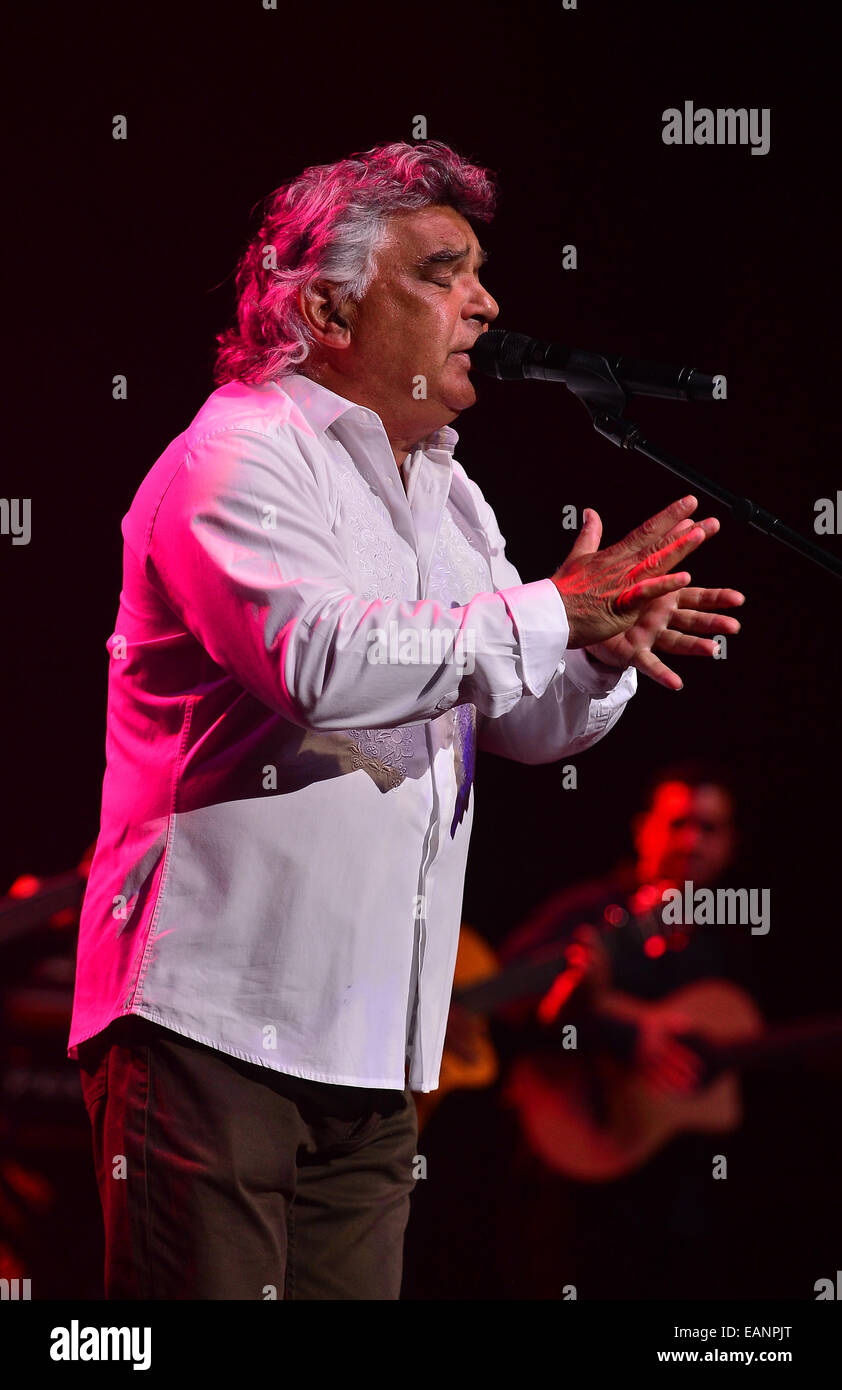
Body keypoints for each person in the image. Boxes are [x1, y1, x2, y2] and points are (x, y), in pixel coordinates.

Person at [67, 140, 743, 1300]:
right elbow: (323, 664)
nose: (485, 302)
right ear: (329, 306)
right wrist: (547, 612)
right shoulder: (234, 457)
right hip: (214, 1021)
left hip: (379, 1041)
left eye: (478, 273)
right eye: (444, 272)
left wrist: (596, 652)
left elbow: (521, 716)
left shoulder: (441, 481)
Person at [494, 762, 757, 1299]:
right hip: (573, 1156)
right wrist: (626, 1035)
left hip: (670, 1184)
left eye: (709, 829)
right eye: (679, 823)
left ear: (730, 846)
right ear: (644, 831)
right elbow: (501, 997)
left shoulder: (726, 940)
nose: (692, 841)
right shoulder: (590, 913)